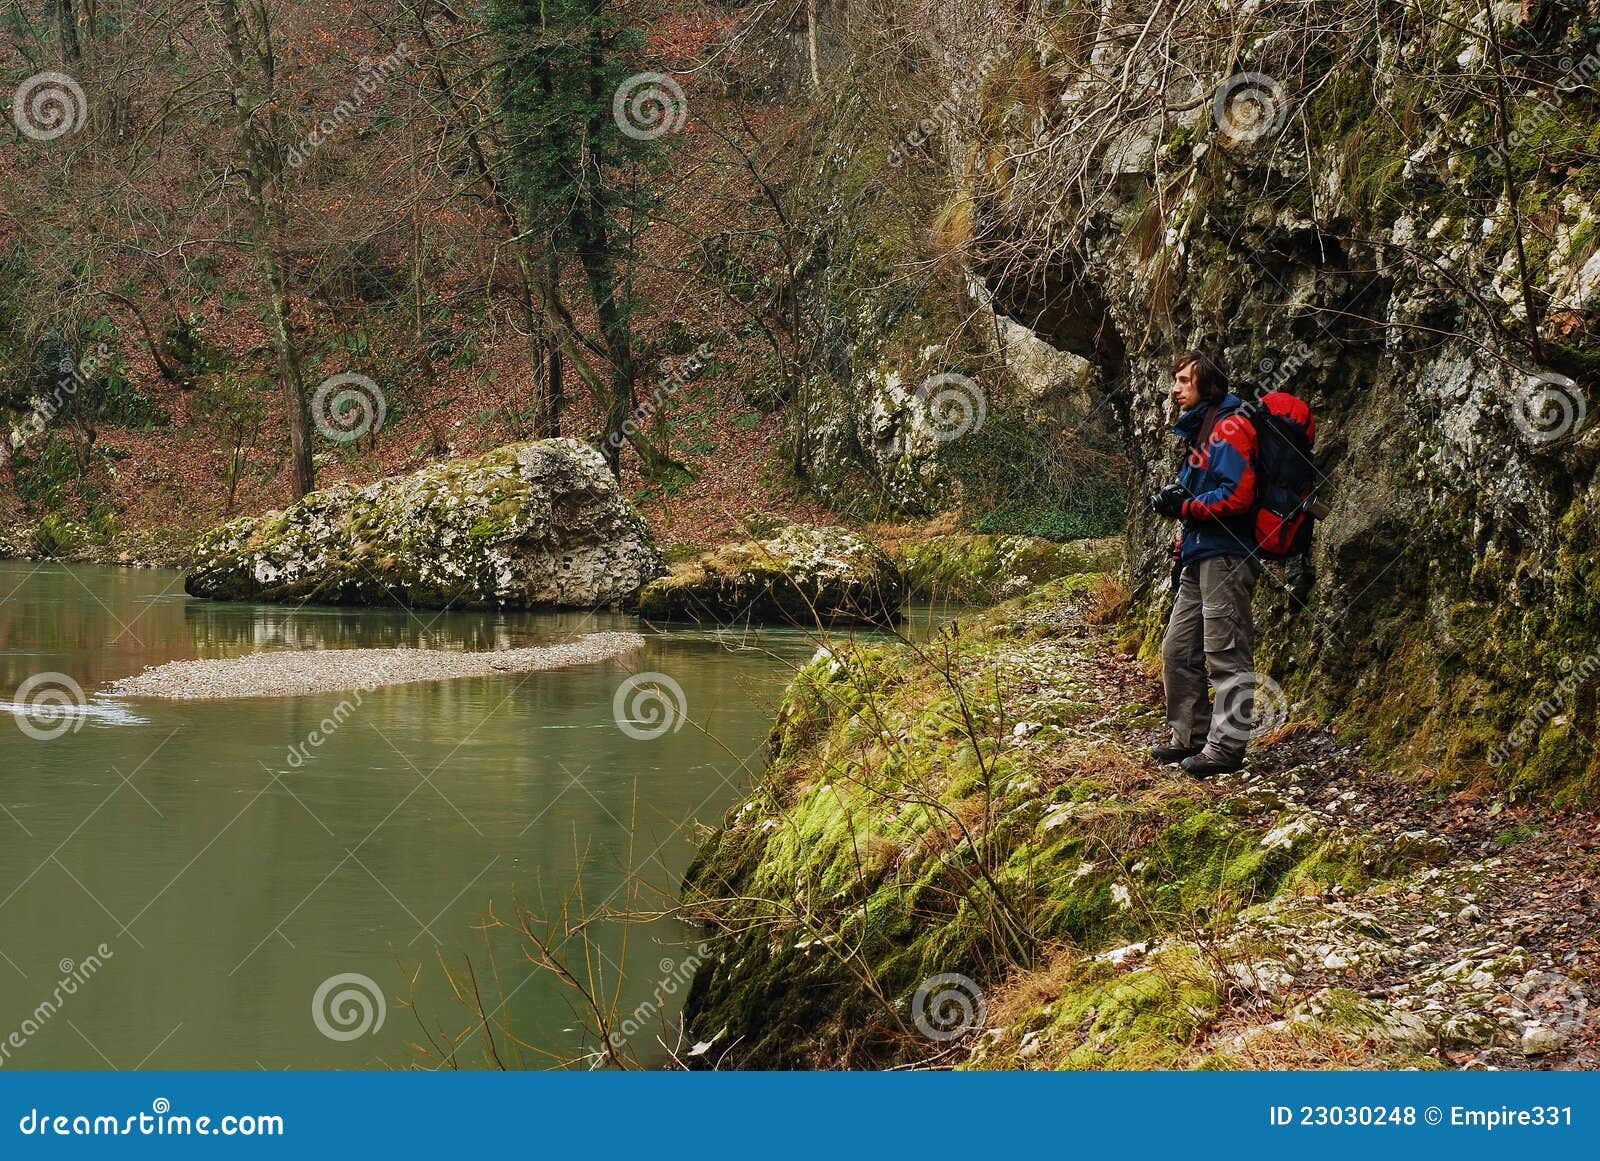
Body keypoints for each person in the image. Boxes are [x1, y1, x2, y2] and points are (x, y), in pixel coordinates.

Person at [1148, 349, 1261, 777]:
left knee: (1225, 652)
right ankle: (1190, 736)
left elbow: (1238, 495)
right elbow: (1200, 494)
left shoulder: (1231, 426)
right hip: (1199, 554)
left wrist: (1187, 506)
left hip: (1227, 554)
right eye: (1174, 380)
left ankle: (1226, 750)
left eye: (1184, 381)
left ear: (1207, 384)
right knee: (1178, 649)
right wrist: (1177, 504)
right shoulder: (1202, 430)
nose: (1174, 389)